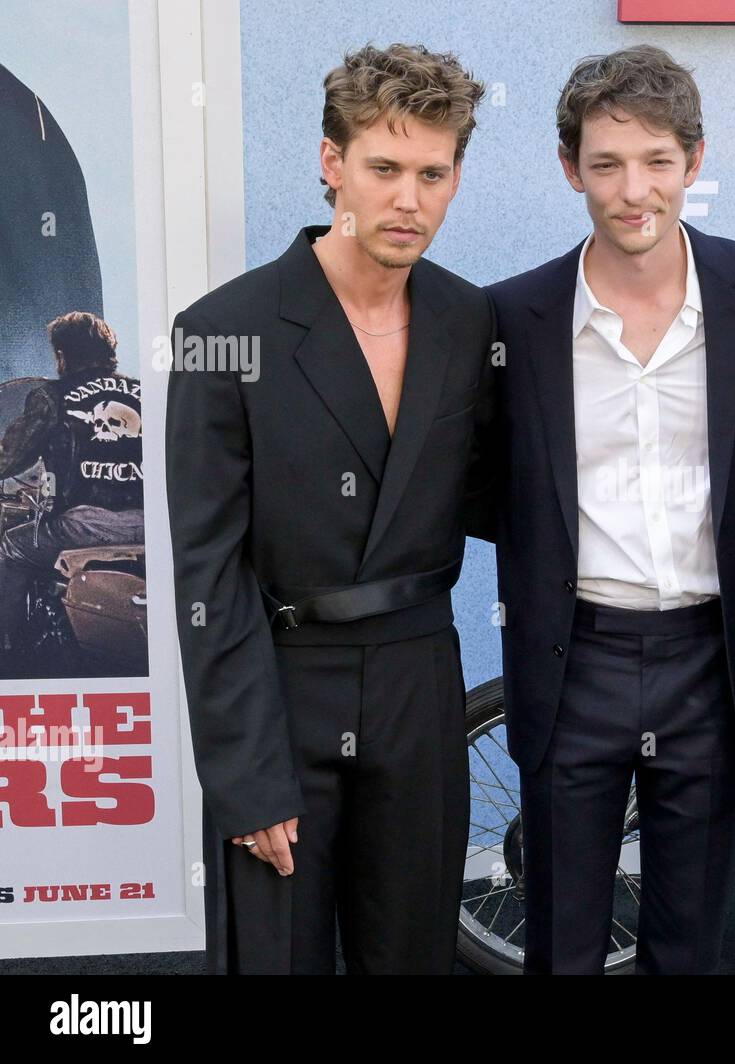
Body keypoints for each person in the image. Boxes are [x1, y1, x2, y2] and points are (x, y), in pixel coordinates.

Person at [165, 43, 496, 974]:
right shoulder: (220, 333)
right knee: (276, 959)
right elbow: (207, 569)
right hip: (281, 688)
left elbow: (507, 495)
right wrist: (245, 774)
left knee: (412, 956)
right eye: (384, 169)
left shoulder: (470, 322)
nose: (408, 199)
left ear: (457, 176)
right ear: (330, 163)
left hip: (421, 681)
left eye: (433, 173)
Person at [485, 45, 735, 974]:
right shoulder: (514, 315)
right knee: (563, 943)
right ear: (570, 169)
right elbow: (484, 485)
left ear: (693, 162)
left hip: (714, 660)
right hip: (573, 657)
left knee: (687, 944)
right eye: (607, 163)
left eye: (657, 160)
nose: (634, 190)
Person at [0, 312, 143, 658]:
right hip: (150, 525)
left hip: (86, 526)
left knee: (10, 547)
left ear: (62, 355)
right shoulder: (144, 392)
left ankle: (12, 656)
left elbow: (10, 458)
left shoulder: (53, 396)